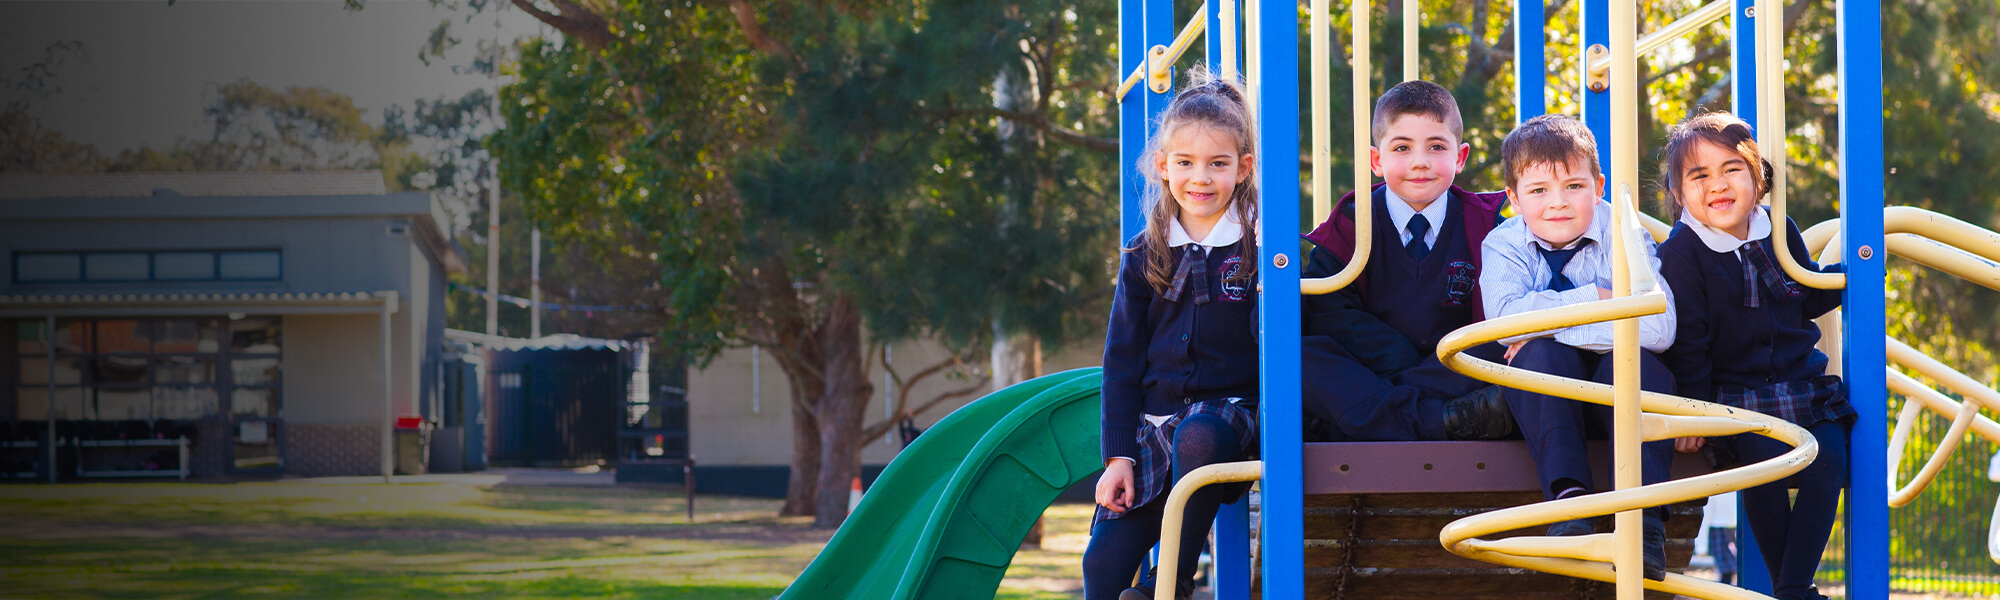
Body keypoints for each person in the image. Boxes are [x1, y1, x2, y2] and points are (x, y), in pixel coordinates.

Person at [1656, 112, 1851, 600]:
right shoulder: (1682, 252)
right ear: (1679, 193)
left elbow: (1805, 292)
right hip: (1735, 399)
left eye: (1732, 169)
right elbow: (1689, 344)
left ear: (1758, 178)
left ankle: (1791, 588)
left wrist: (1852, 276)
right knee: (1763, 464)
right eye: (1699, 176)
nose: (1718, 185)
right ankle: (1796, 588)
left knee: (1829, 458)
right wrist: (1692, 413)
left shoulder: (1777, 229)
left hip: (1802, 387)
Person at [1479, 114, 1680, 580]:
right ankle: (1570, 505)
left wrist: (1545, 324)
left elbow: (1660, 326)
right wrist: (1600, 301)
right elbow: (1504, 324)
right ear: (1513, 198)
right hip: (1551, 404)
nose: (1558, 203)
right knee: (1539, 358)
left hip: (1617, 394)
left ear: (1599, 186)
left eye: (1574, 186)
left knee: (1637, 364)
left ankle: (1644, 520)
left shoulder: (1624, 234)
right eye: (1538, 190)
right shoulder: (1503, 244)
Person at [1085, 72, 1262, 600]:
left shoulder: (1259, 247)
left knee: (1198, 435)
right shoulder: (1146, 252)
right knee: (1102, 562)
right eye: (1185, 163)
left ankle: (1172, 582)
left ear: (1243, 168)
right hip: (1154, 430)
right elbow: (1121, 362)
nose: (1200, 178)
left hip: (1227, 420)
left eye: (1217, 164)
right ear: (1163, 166)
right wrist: (1118, 457)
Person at [1298, 79, 1514, 443]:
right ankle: (1437, 420)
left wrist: (1402, 381)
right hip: (1372, 369)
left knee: (1506, 343)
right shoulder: (1350, 225)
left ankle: (1358, 417)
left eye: (1436, 147)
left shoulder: (1488, 228)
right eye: (1402, 148)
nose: (1420, 162)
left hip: (1451, 371)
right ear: (1376, 160)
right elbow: (1330, 314)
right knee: (1298, 353)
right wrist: (1397, 356)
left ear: (1460, 157)